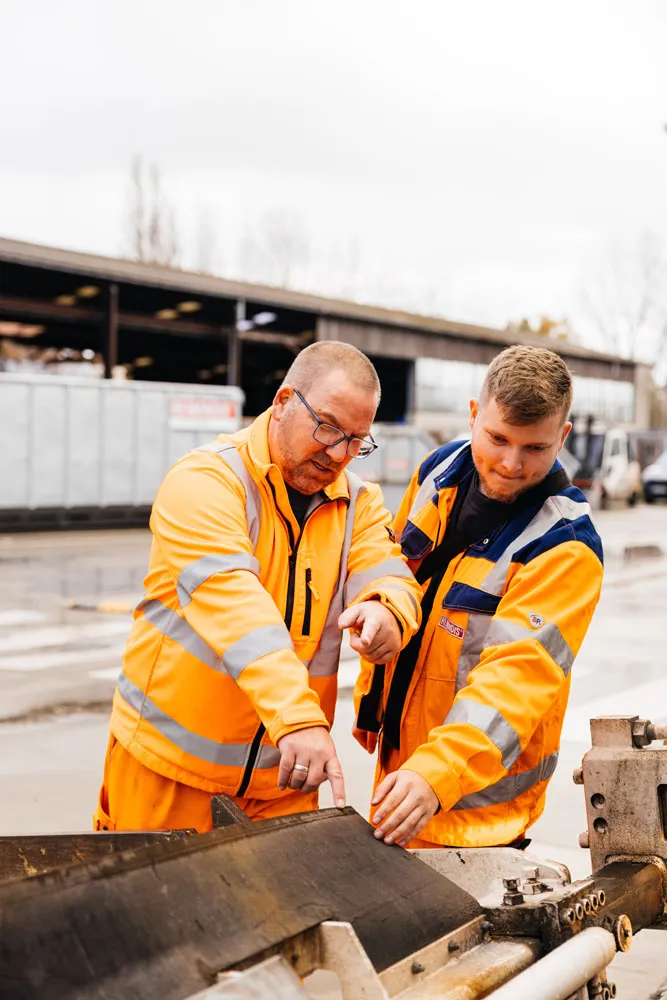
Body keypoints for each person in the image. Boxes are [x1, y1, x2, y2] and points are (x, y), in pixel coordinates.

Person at [95, 341, 421, 832]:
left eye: (356, 440)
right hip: (171, 774)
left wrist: (387, 613)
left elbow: (388, 571)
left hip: (282, 785)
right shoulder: (205, 481)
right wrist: (298, 718)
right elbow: (235, 606)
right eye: (328, 427)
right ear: (284, 400)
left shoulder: (359, 503)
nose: (338, 454)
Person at [354, 345, 603, 850]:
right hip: (404, 780)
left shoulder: (565, 548)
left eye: (535, 448)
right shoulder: (439, 471)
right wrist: (371, 693)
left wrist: (437, 774)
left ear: (563, 436)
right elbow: (397, 573)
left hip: (478, 819)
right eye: (497, 438)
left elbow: (514, 684)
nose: (512, 464)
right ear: (473, 415)